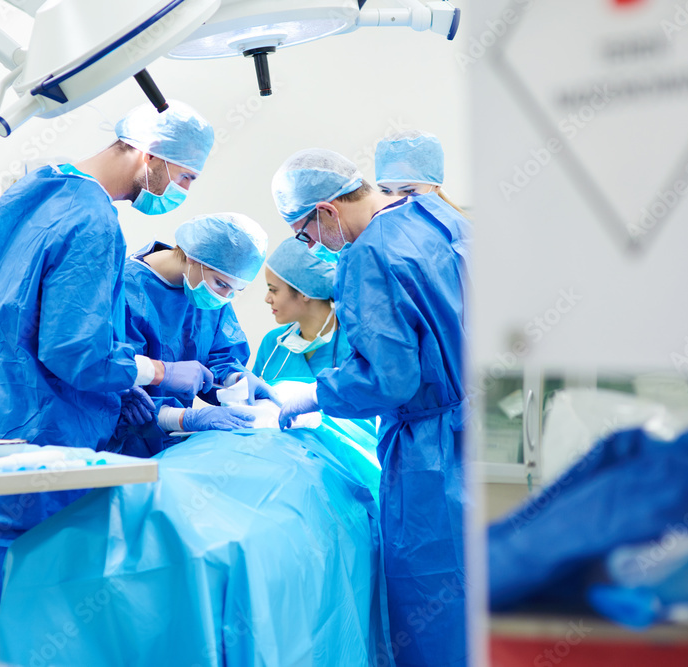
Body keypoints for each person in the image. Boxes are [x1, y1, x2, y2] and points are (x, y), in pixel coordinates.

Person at [0, 100, 216, 618]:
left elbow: (27, 314)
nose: (185, 192)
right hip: (45, 435)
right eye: (187, 175)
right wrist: (153, 371)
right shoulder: (95, 220)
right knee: (35, 600)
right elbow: (75, 352)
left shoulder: (34, 189)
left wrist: (117, 380)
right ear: (149, 154)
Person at [271, 148, 470, 667]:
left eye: (305, 233)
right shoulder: (436, 217)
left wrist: (316, 393)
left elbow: (392, 377)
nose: (312, 246)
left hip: (435, 456)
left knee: (438, 604)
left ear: (328, 212)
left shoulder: (368, 253)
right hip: (486, 428)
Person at [114, 212, 280, 457]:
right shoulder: (126, 292)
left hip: (172, 448)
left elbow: (220, 357)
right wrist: (186, 418)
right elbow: (118, 391)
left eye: (237, 290)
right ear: (193, 257)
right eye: (221, 284)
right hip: (120, 449)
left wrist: (235, 380)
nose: (225, 297)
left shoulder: (210, 294)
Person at [253, 237, 350, 382]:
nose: (267, 299)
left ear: (304, 291)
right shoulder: (273, 343)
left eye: (273, 290)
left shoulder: (354, 343)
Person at [374, 129, 468, 216]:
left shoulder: (462, 231)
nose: (394, 201)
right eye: (385, 191)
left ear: (436, 187)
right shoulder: (376, 228)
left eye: (408, 191)